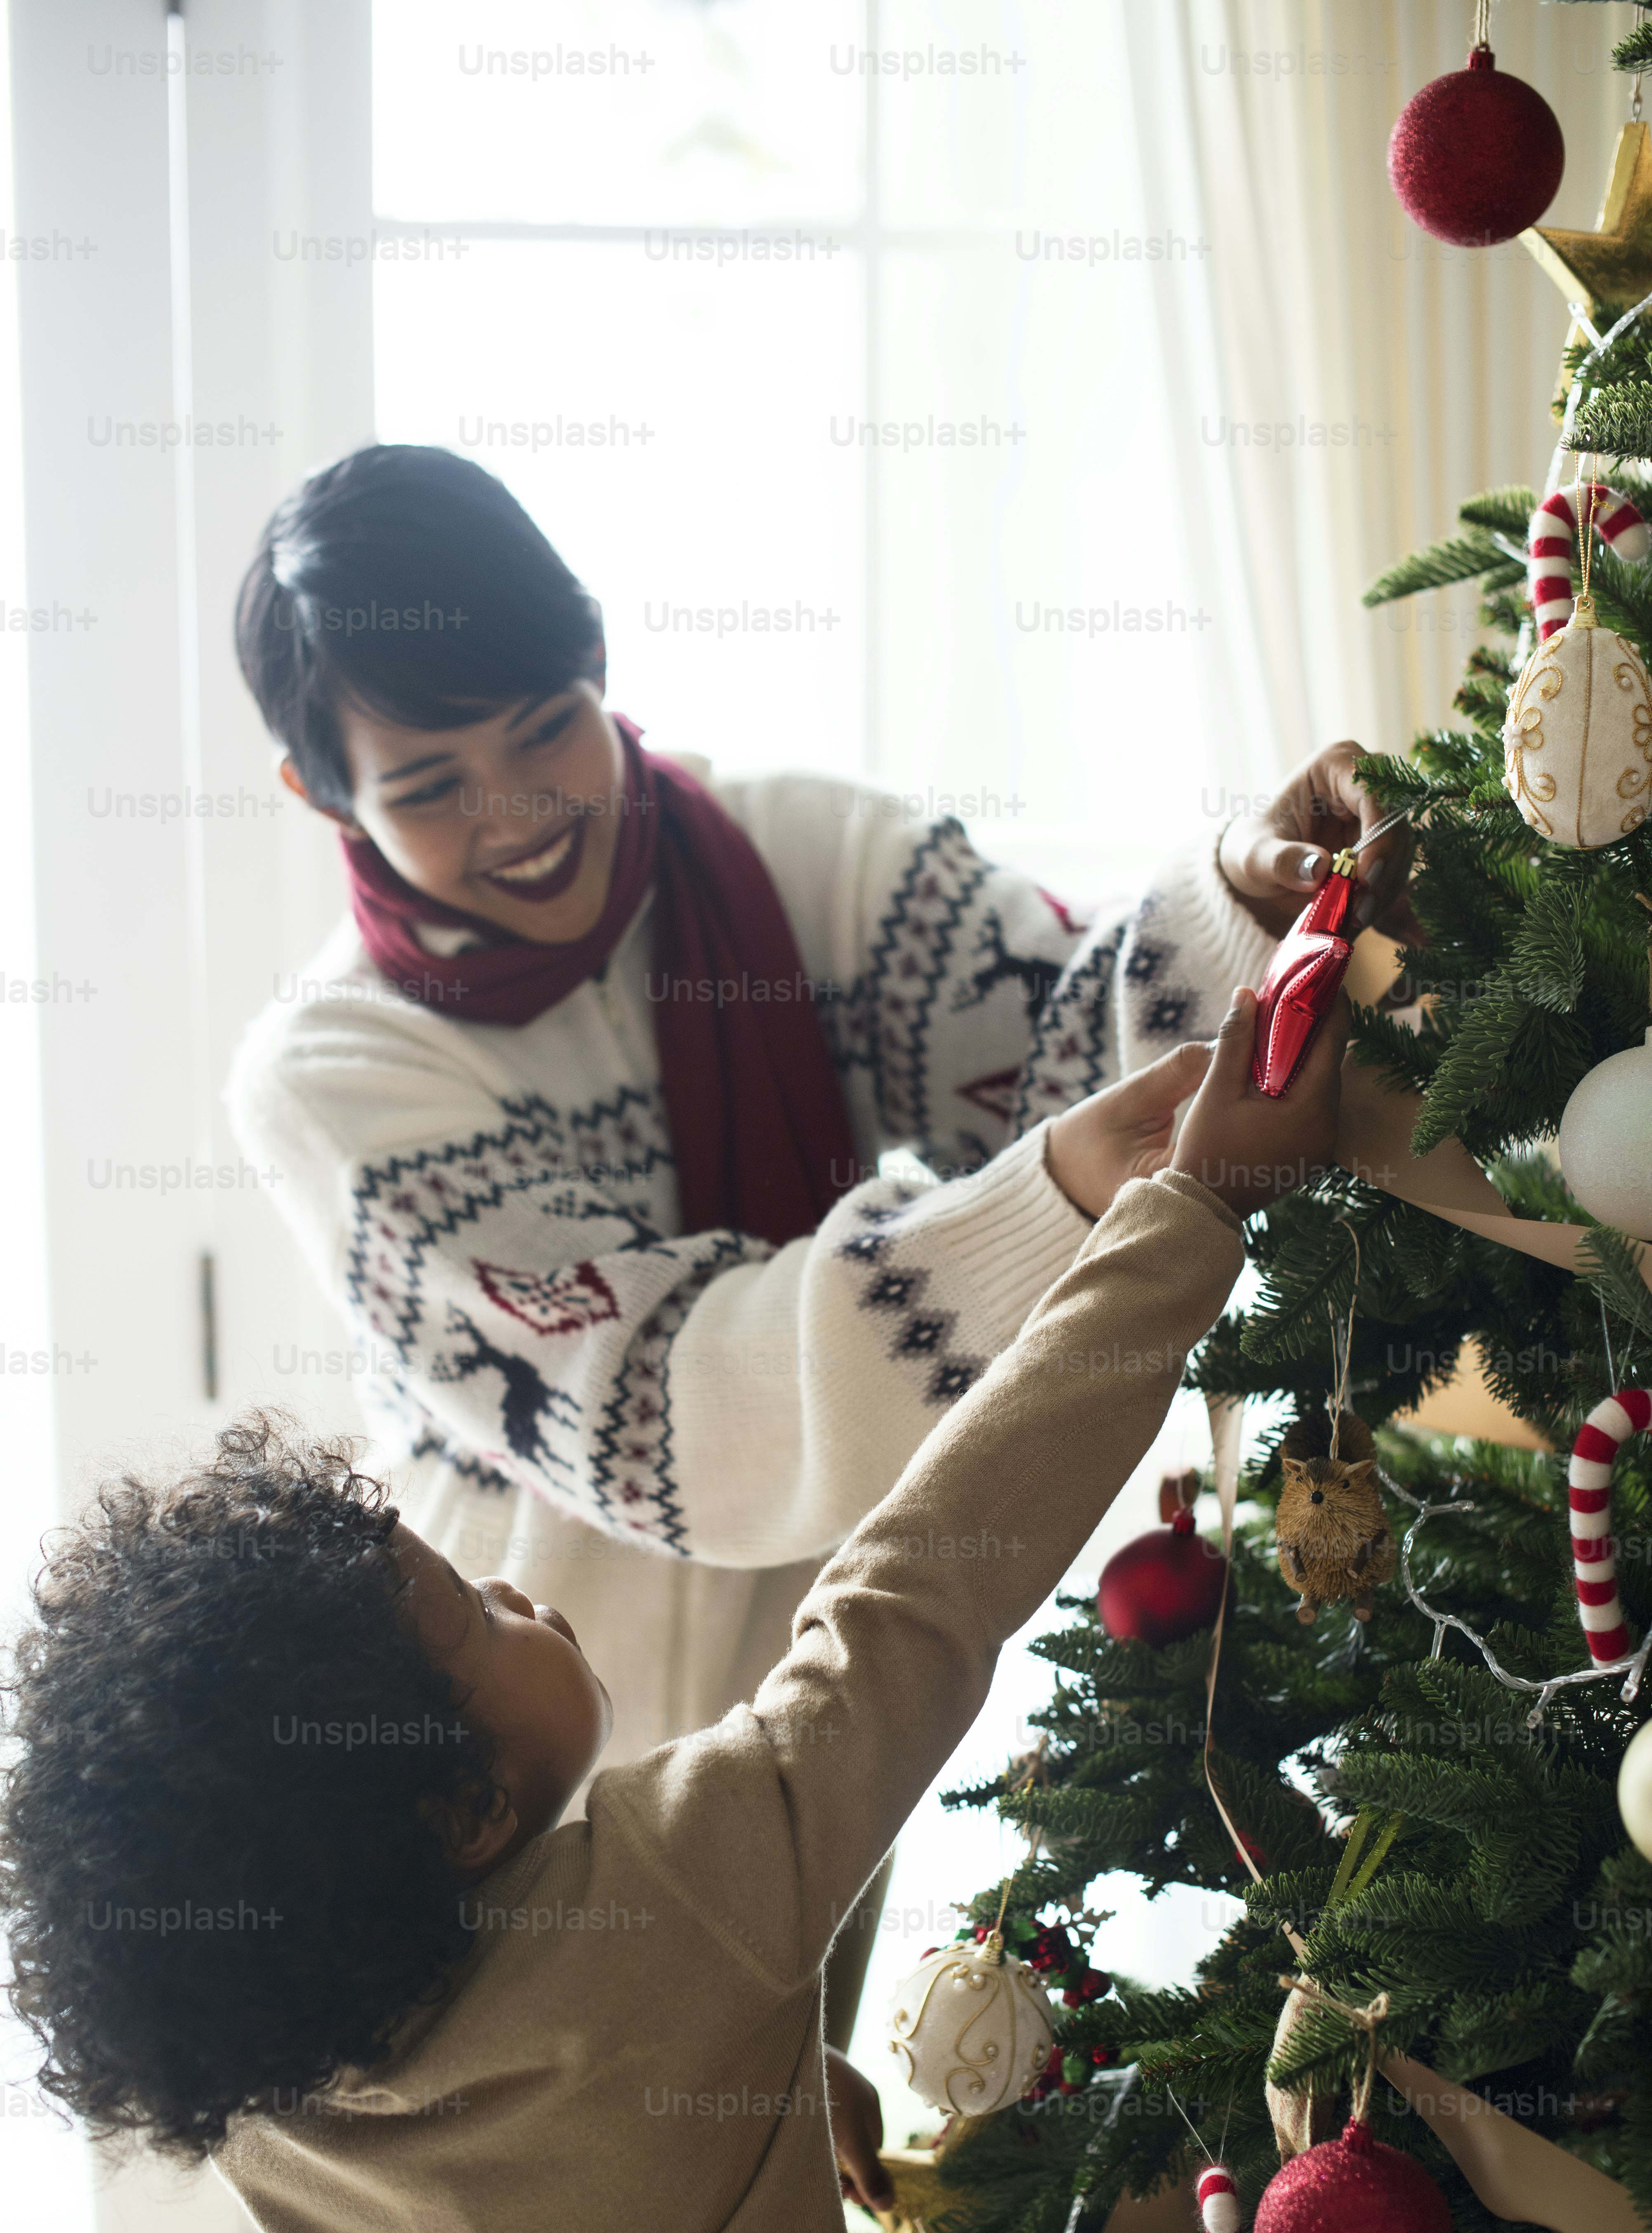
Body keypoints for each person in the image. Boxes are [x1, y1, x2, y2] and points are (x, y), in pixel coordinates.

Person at [0, 989, 1345, 2233]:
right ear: (459, 1814)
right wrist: (1193, 1210)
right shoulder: (679, 1895)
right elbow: (922, 1592)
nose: (517, 1582)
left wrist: (747, 2089)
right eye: (476, 1610)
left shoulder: (275, 2068)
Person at [226, 444, 1409, 1989]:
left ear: (594, 656)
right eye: (432, 787)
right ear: (317, 792)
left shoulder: (800, 857)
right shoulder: (337, 1074)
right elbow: (677, 1421)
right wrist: (1051, 1194)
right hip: (514, 1784)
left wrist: (1234, 903)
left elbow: (1048, 1036)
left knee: (818, 2166)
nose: (518, 814)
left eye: (546, 731)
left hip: (830, 1710)